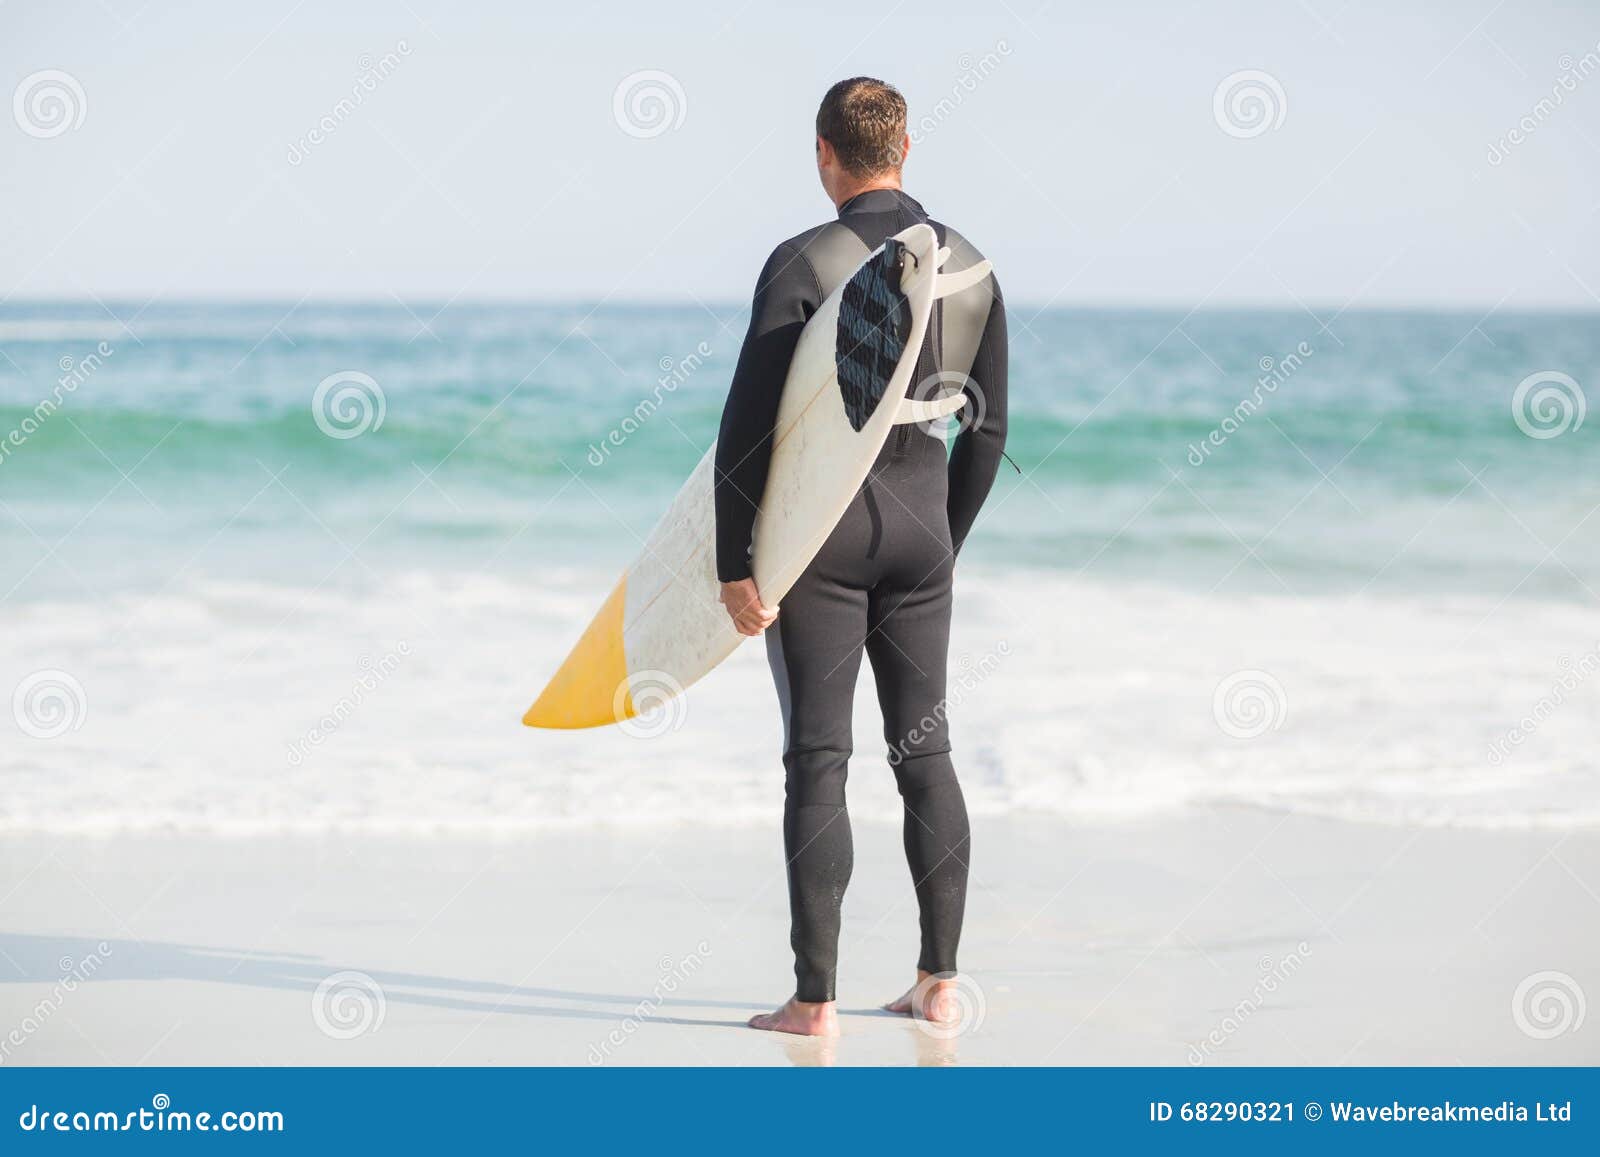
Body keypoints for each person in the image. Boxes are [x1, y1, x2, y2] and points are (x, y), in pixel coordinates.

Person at [713, 77, 1008, 1037]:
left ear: (822, 154)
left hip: (822, 545)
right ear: (908, 149)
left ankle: (815, 1001)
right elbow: (991, 428)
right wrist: (942, 545)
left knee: (819, 760)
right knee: (927, 754)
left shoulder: (803, 261)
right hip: (924, 526)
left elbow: (748, 430)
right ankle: (940, 981)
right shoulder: (970, 264)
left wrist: (734, 558)